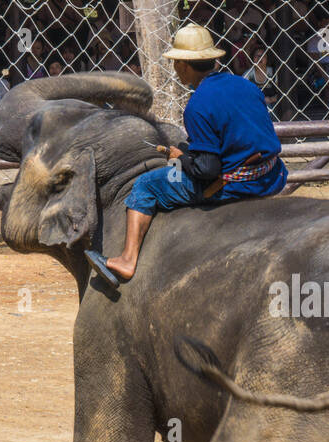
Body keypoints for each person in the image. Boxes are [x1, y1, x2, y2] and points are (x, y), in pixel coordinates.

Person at [95, 25, 287, 286]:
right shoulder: (245, 84)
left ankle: (127, 260)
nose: (174, 68)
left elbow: (207, 170)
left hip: (236, 182)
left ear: (185, 65)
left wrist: (180, 158)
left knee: (146, 186)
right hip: (271, 173)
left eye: (176, 62)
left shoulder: (197, 104)